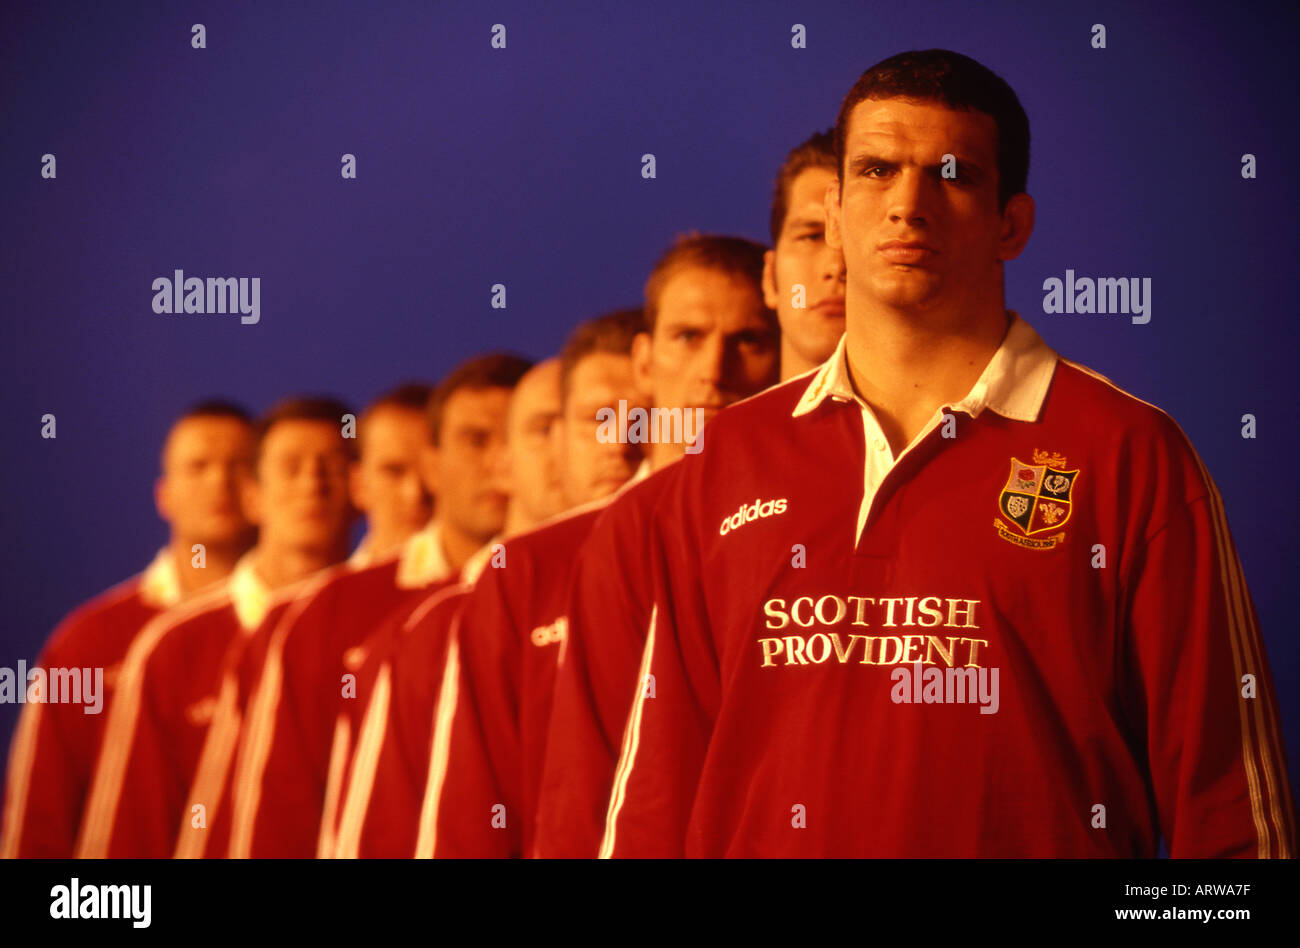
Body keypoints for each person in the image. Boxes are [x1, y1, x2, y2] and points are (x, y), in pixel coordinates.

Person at [599, 49, 1296, 858]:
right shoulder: (729, 457)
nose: (907, 204)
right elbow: (656, 795)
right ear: (838, 204)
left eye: (953, 174)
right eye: (876, 170)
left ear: (1013, 223)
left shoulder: (1129, 453)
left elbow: (1234, 825)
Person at [224, 354, 531, 858]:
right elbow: (276, 821)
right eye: (476, 440)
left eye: (517, 435)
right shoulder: (319, 617)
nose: (499, 459)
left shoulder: (571, 589)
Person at [534, 236, 780, 856]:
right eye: (688, 337)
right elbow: (577, 787)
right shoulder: (573, 551)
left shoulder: (810, 525)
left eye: (747, 340)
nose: (714, 370)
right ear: (643, 362)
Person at [402, 308, 647, 859]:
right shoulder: (444, 620)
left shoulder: (709, 550)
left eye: (647, 417)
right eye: (596, 419)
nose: (622, 442)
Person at [75, 397, 356, 857]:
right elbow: (128, 834)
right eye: (290, 467)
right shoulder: (168, 647)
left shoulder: (388, 638)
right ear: (254, 495)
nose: (312, 484)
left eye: (332, 467)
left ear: (359, 489)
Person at [0, 401, 256, 858]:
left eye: (240, 465)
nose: (220, 481)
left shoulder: (297, 632)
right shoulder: (89, 642)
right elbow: (38, 815)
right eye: (199, 466)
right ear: (165, 494)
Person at [762, 130, 848, 379]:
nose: (835, 266)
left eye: (853, 237)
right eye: (810, 236)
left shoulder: (950, 418)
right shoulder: (732, 420)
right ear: (770, 278)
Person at [347, 383, 434, 565]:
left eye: (432, 470)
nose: (415, 494)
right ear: (359, 485)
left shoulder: (489, 586)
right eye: (394, 472)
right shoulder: (327, 593)